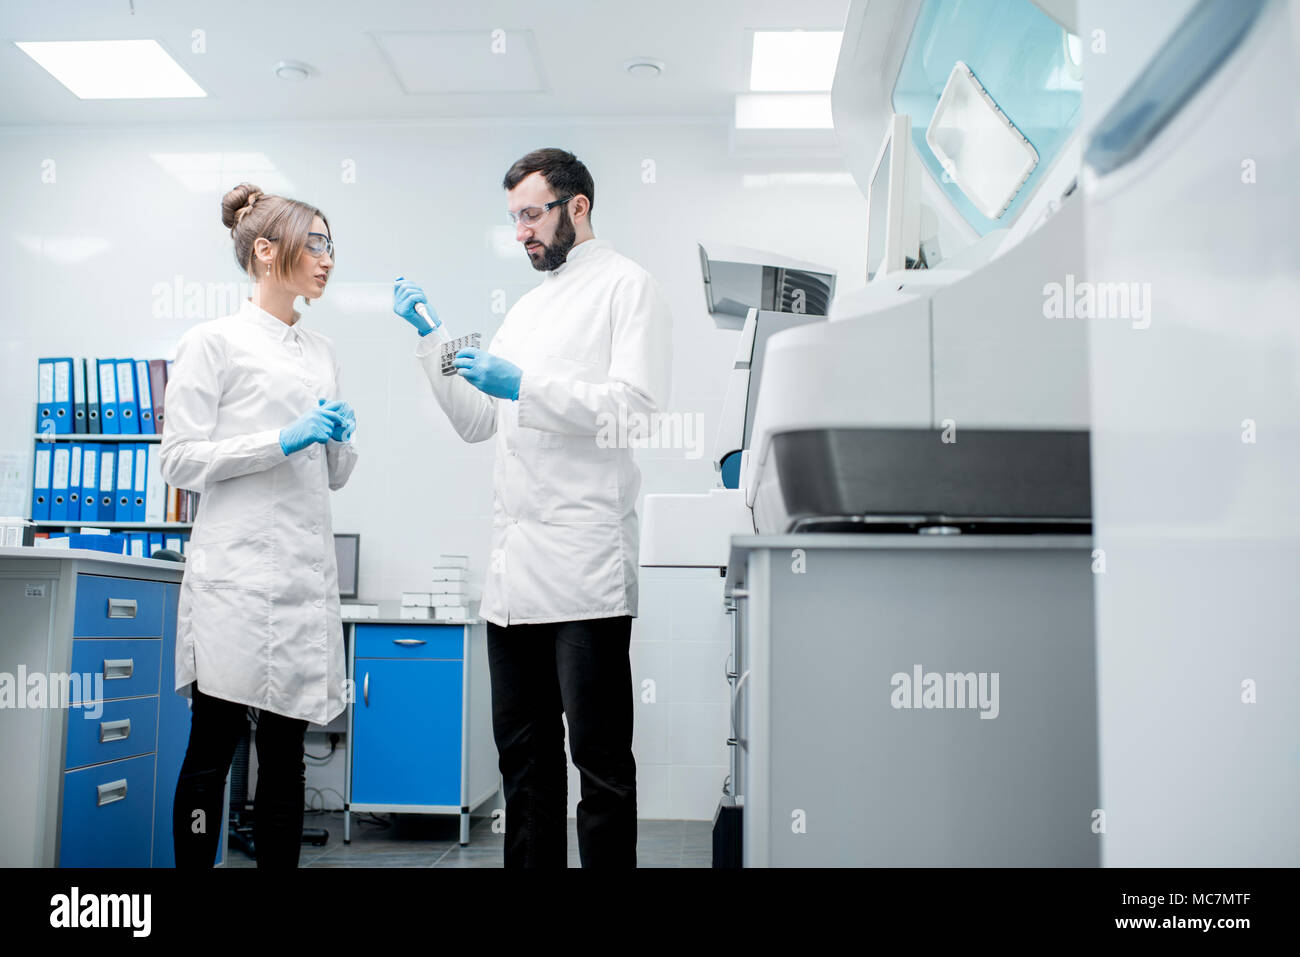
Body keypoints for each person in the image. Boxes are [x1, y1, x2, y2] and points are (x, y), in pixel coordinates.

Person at [393, 148, 672, 868]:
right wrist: (433, 341)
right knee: (524, 765)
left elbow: (634, 412)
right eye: (513, 217)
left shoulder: (627, 287)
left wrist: (528, 385)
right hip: (512, 583)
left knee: (601, 768)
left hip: (585, 571)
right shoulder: (522, 309)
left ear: (577, 207)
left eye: (530, 214)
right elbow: (479, 421)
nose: (520, 232)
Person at [161, 183, 358, 868]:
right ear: (268, 250)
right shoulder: (211, 342)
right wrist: (285, 436)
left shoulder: (322, 351)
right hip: (235, 583)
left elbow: (333, 474)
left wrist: (336, 439)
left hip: (303, 585)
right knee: (212, 749)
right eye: (318, 242)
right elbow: (180, 460)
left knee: (286, 760)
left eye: (332, 244)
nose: (330, 258)